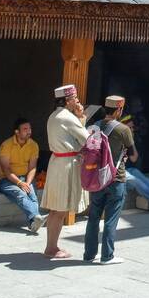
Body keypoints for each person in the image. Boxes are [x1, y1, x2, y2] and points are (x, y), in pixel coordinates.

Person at [84, 96, 135, 265]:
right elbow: (134, 155)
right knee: (111, 219)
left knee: (93, 217)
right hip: (115, 178)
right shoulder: (123, 130)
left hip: (97, 178)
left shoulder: (94, 127)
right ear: (119, 110)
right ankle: (107, 256)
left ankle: (89, 254)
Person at [44, 84, 89, 259]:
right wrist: (81, 116)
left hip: (58, 162)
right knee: (60, 209)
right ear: (68, 100)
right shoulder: (67, 117)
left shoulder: (54, 116)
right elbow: (85, 138)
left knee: (56, 209)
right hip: (67, 164)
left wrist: (78, 117)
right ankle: (51, 248)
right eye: (75, 98)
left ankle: (51, 246)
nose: (77, 101)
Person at [0, 117, 46, 234]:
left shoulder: (33, 145)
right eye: (25, 129)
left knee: (32, 195)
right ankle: (36, 216)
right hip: (6, 180)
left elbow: (33, 167)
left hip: (25, 178)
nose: (29, 131)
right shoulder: (6, 145)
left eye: (30, 128)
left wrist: (27, 183)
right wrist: (19, 183)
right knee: (20, 193)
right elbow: (6, 169)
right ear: (17, 132)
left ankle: (33, 222)